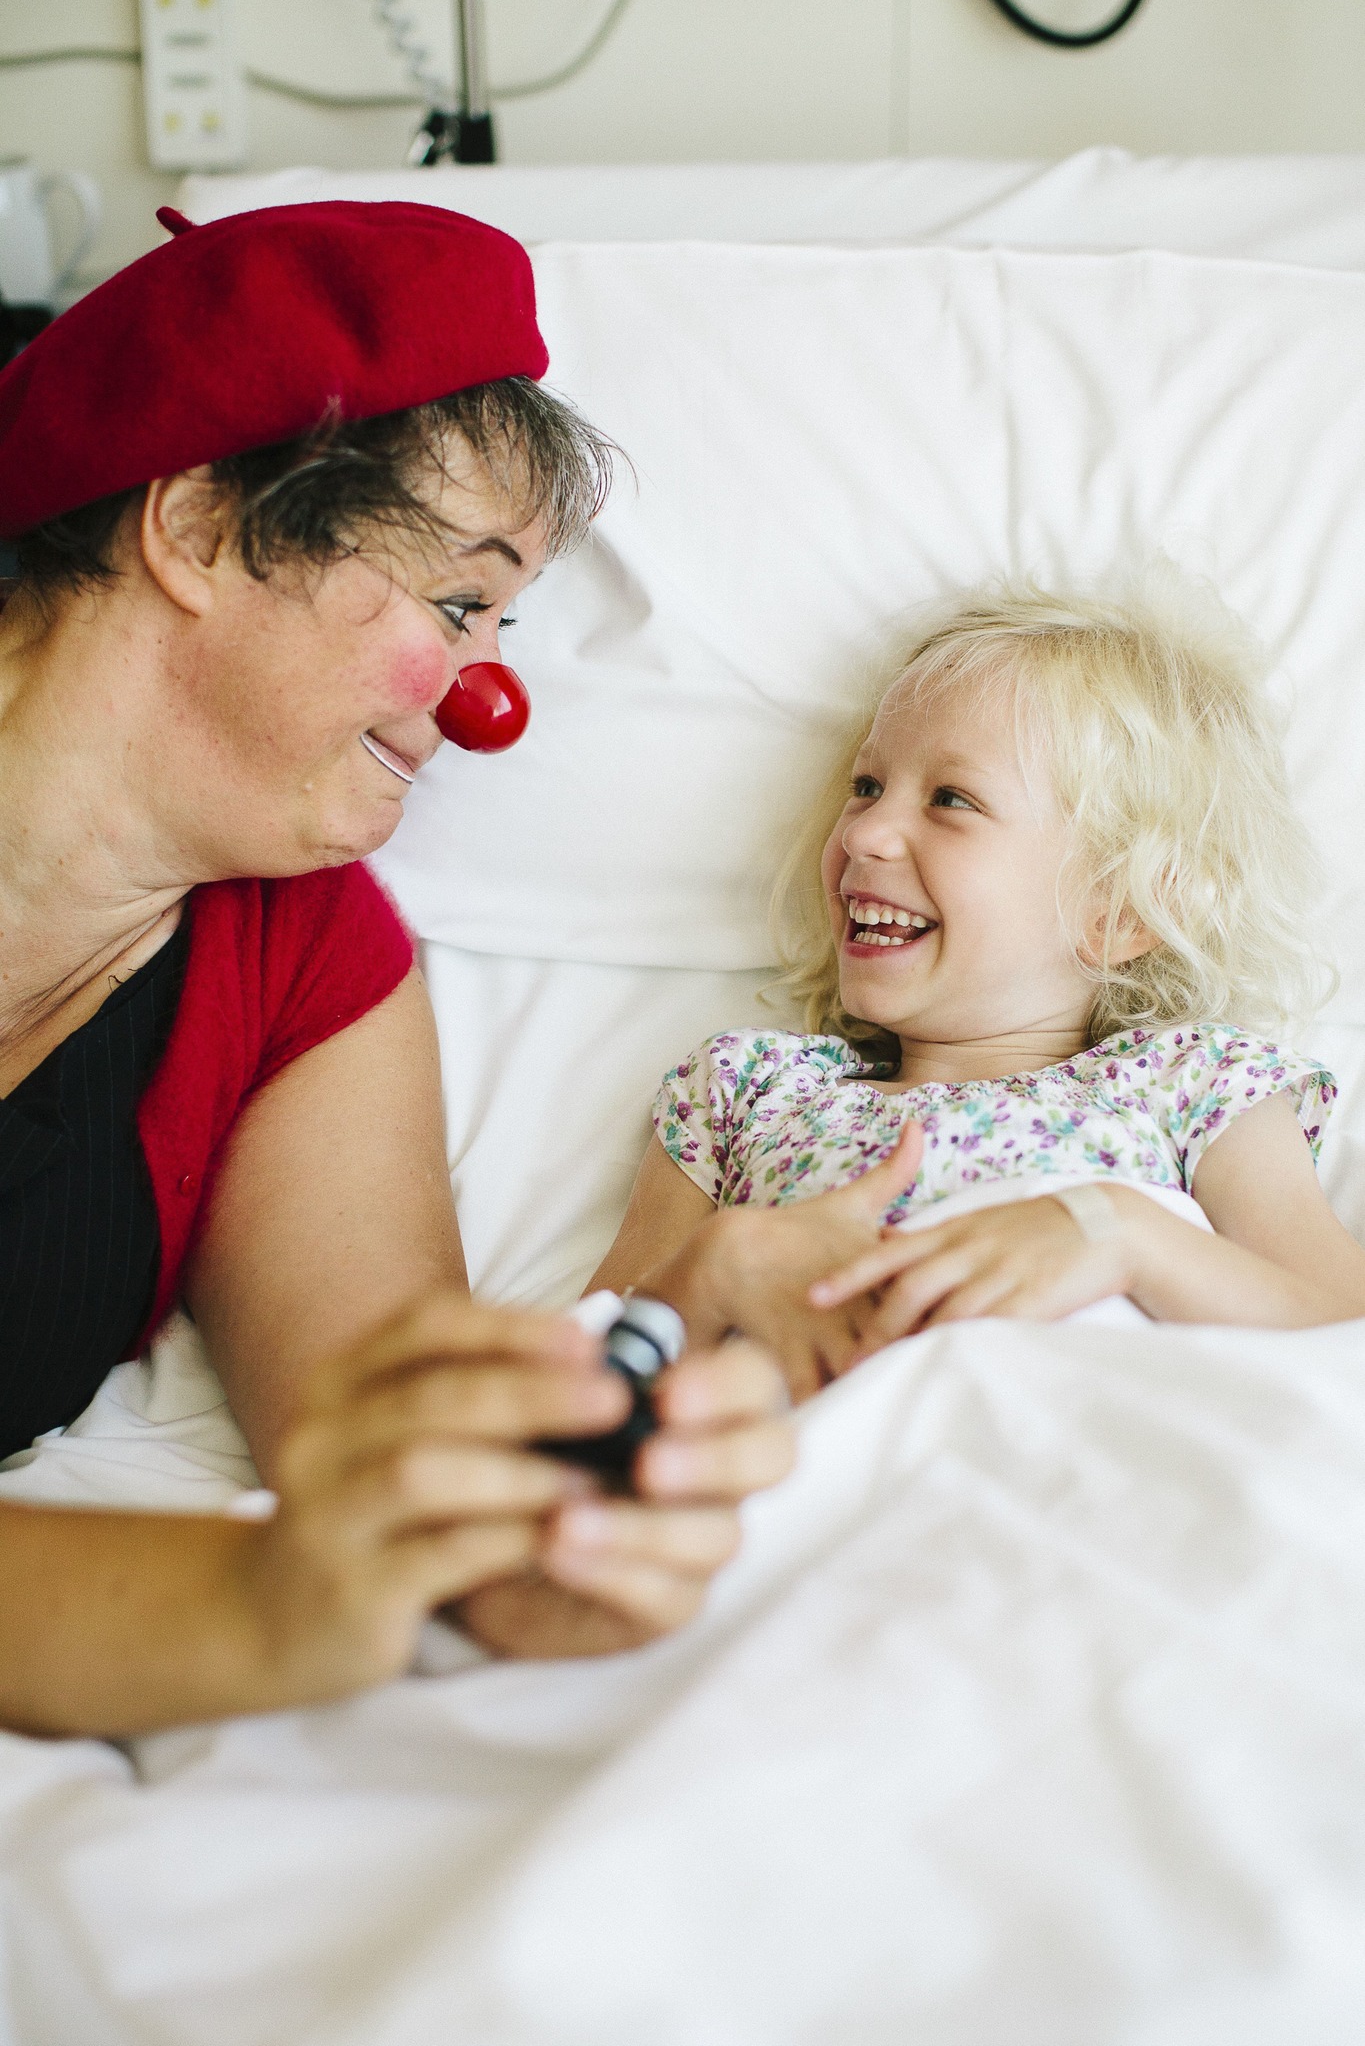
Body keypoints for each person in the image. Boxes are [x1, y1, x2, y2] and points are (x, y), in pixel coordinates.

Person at [0, 200, 792, 1737]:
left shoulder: (308, 957)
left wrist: (554, 1529)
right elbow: (287, 1584)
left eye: (502, 625)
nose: (488, 696)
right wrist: (247, 1606)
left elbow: (387, 1437)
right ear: (201, 525)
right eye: (454, 603)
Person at [592, 581, 1365, 1396]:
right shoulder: (748, 1089)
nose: (863, 832)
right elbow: (580, 1374)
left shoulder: (1189, 1083)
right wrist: (711, 1270)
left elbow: (1340, 1328)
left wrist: (1121, 1231)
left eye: (950, 799)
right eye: (865, 787)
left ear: (1120, 910)